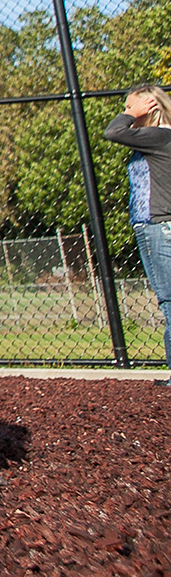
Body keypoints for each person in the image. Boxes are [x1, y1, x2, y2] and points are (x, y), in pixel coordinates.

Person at [104, 83, 171, 383]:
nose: (127, 113)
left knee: (170, 300)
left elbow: (113, 131)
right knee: (167, 299)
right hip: (149, 225)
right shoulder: (153, 140)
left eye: (132, 107)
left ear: (149, 107)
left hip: (161, 226)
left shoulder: (160, 135)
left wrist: (130, 114)